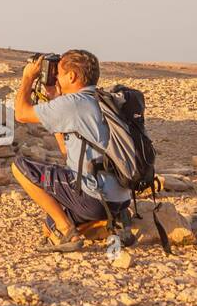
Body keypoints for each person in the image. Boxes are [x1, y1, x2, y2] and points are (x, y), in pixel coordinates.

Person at [11, 49, 132, 252]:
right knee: (49, 222)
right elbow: (65, 151)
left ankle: (67, 231)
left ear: (72, 76)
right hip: (121, 198)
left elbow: (21, 114)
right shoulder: (103, 100)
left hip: (93, 198)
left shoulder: (74, 103)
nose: (55, 77)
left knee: (21, 167)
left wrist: (28, 78)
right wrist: (53, 98)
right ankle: (115, 222)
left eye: (58, 72)